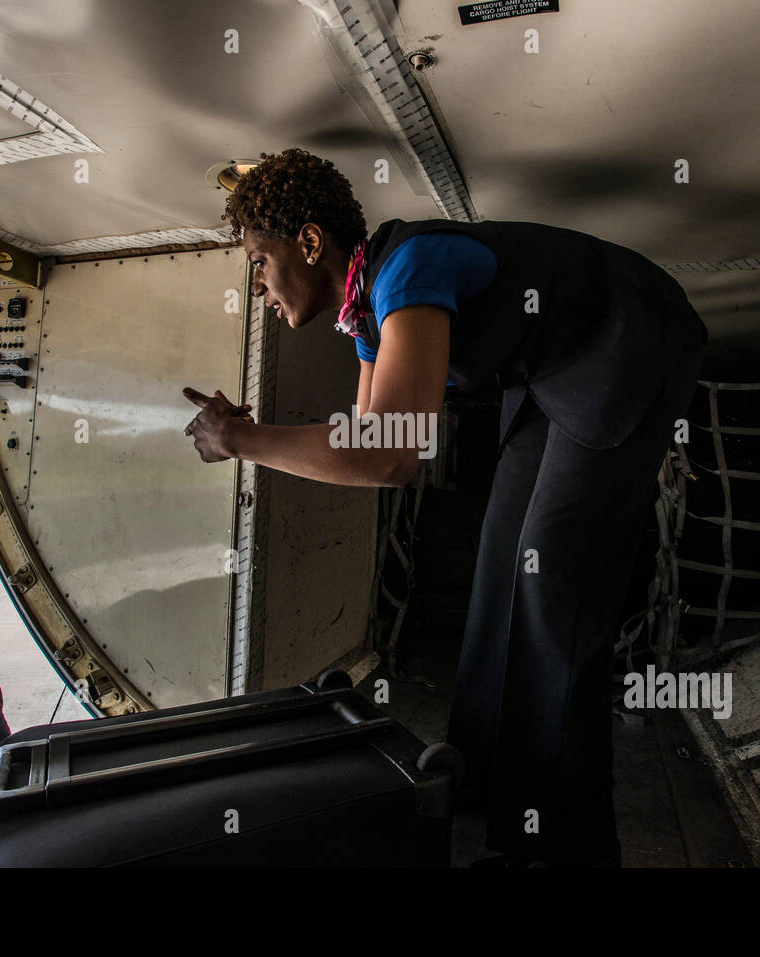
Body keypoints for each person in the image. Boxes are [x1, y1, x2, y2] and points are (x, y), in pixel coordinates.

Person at [183, 148, 707, 867]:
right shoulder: (367, 313)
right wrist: (251, 440)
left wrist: (242, 440)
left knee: (552, 586)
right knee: (502, 569)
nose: (258, 284)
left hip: (626, 339)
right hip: (548, 376)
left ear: (307, 242)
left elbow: (389, 453)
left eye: (258, 261)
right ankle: (488, 800)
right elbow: (370, 449)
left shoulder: (409, 267)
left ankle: (565, 851)